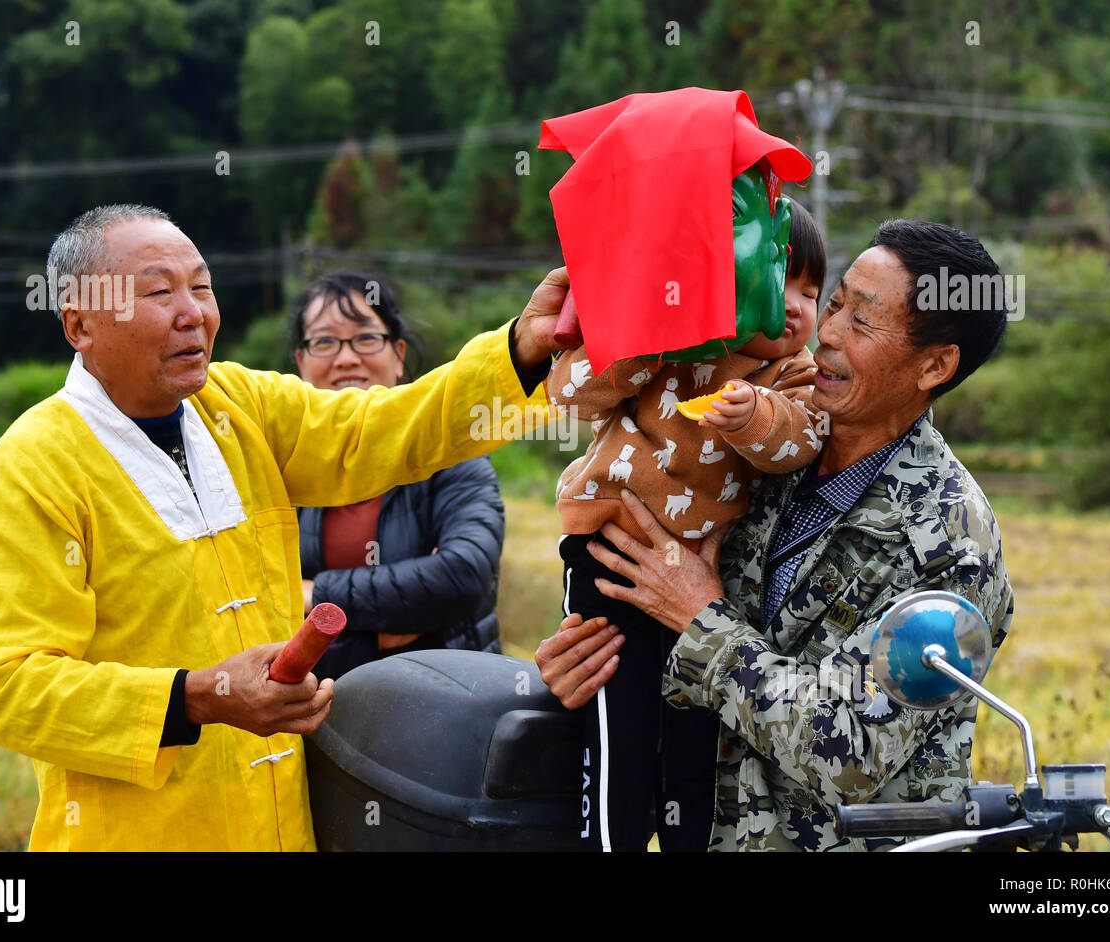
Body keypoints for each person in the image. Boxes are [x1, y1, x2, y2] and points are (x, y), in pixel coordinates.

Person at [0, 204, 563, 851]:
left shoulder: (239, 407)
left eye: (201, 286)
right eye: (160, 292)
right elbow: (6, 686)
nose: (193, 312)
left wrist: (519, 353)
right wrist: (196, 697)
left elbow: (380, 428)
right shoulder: (31, 470)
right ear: (79, 324)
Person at [536, 219, 1014, 851]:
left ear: (934, 365)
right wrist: (591, 660)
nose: (829, 333)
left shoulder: (951, 540)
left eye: (863, 321)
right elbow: (658, 598)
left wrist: (700, 621)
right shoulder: (759, 453)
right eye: (836, 302)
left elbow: (853, 752)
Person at [551, 200, 827, 852]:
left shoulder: (791, 372)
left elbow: (803, 436)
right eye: (775, 279)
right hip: (611, 557)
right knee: (617, 722)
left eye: (812, 291)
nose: (795, 306)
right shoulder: (667, 340)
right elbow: (571, 388)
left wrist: (753, 415)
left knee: (693, 744)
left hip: (705, 581)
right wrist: (652, 343)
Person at [291, 272, 505, 679]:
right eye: (324, 341)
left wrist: (313, 595)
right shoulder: (281, 468)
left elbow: (463, 576)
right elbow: (251, 609)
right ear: (301, 363)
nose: (347, 357)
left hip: (449, 706)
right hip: (313, 717)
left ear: (399, 354)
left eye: (366, 338)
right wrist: (372, 637)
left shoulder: (452, 452)